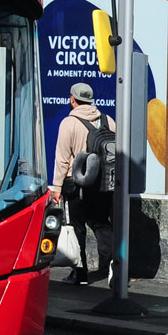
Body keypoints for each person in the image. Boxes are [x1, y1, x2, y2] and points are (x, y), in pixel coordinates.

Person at [52, 82, 115, 285]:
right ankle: (112, 265)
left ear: (72, 99)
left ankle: (80, 274)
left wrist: (57, 188)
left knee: (77, 227)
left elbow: (62, 159)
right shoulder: (108, 120)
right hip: (103, 183)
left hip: (76, 184)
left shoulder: (68, 124)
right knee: (101, 223)